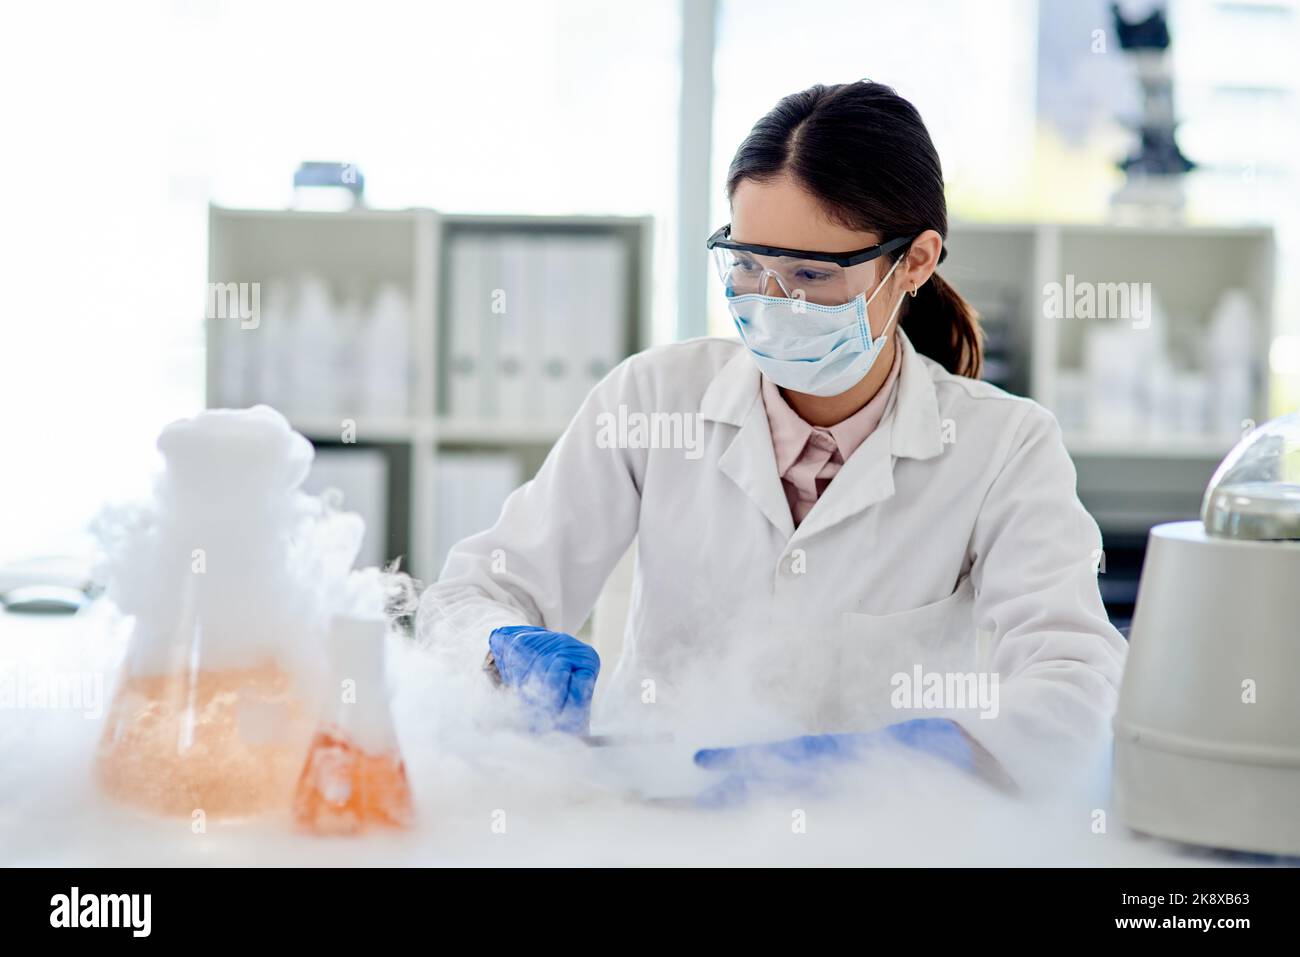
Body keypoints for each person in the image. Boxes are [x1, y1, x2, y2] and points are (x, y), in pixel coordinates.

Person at [417, 80, 1127, 800]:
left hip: (878, 835)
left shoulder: (1004, 447)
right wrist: (500, 643)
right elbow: (473, 591)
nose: (771, 301)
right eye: (749, 264)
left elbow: (1077, 684)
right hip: (655, 822)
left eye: (811, 274)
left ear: (914, 261)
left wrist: (936, 751)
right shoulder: (655, 399)